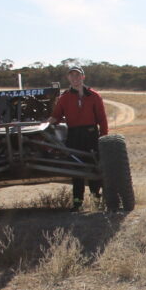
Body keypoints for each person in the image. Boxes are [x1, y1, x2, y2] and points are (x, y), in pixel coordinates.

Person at [48, 65, 109, 210]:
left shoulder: (94, 96)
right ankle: (77, 203)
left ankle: (96, 200)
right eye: (72, 76)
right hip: (74, 135)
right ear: (68, 78)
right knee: (77, 169)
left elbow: (102, 118)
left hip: (91, 135)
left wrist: (104, 137)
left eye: (77, 75)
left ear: (83, 77)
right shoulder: (64, 97)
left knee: (94, 167)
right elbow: (56, 116)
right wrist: (44, 124)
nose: (75, 78)